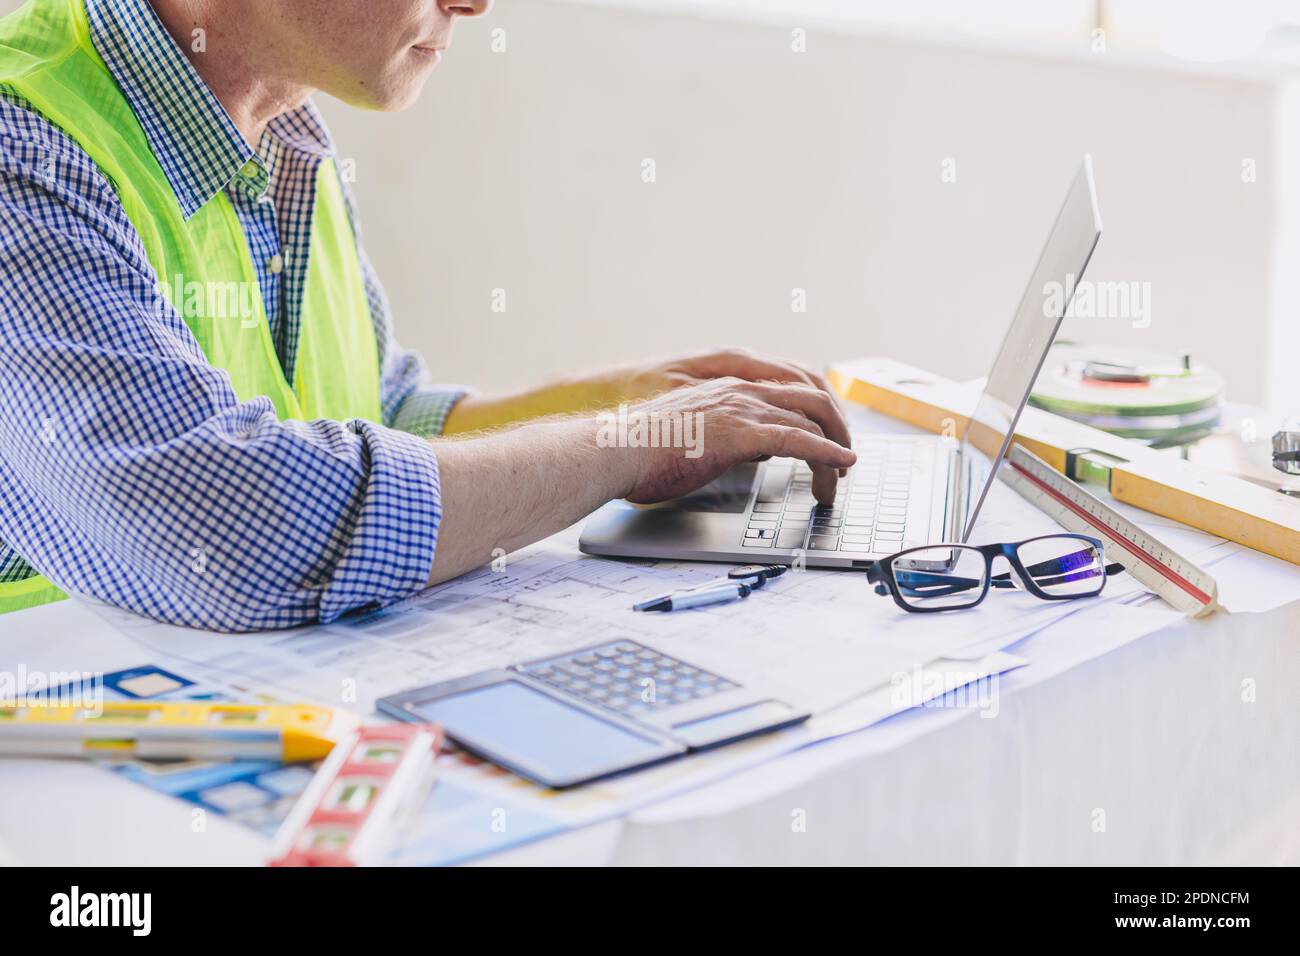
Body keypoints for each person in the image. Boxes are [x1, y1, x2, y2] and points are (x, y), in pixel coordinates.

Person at [0, 0, 855, 630]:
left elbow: (382, 413)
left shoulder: (284, 139)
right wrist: (627, 446)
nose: (476, 5)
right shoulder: (21, 150)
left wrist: (634, 404)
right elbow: (234, 527)